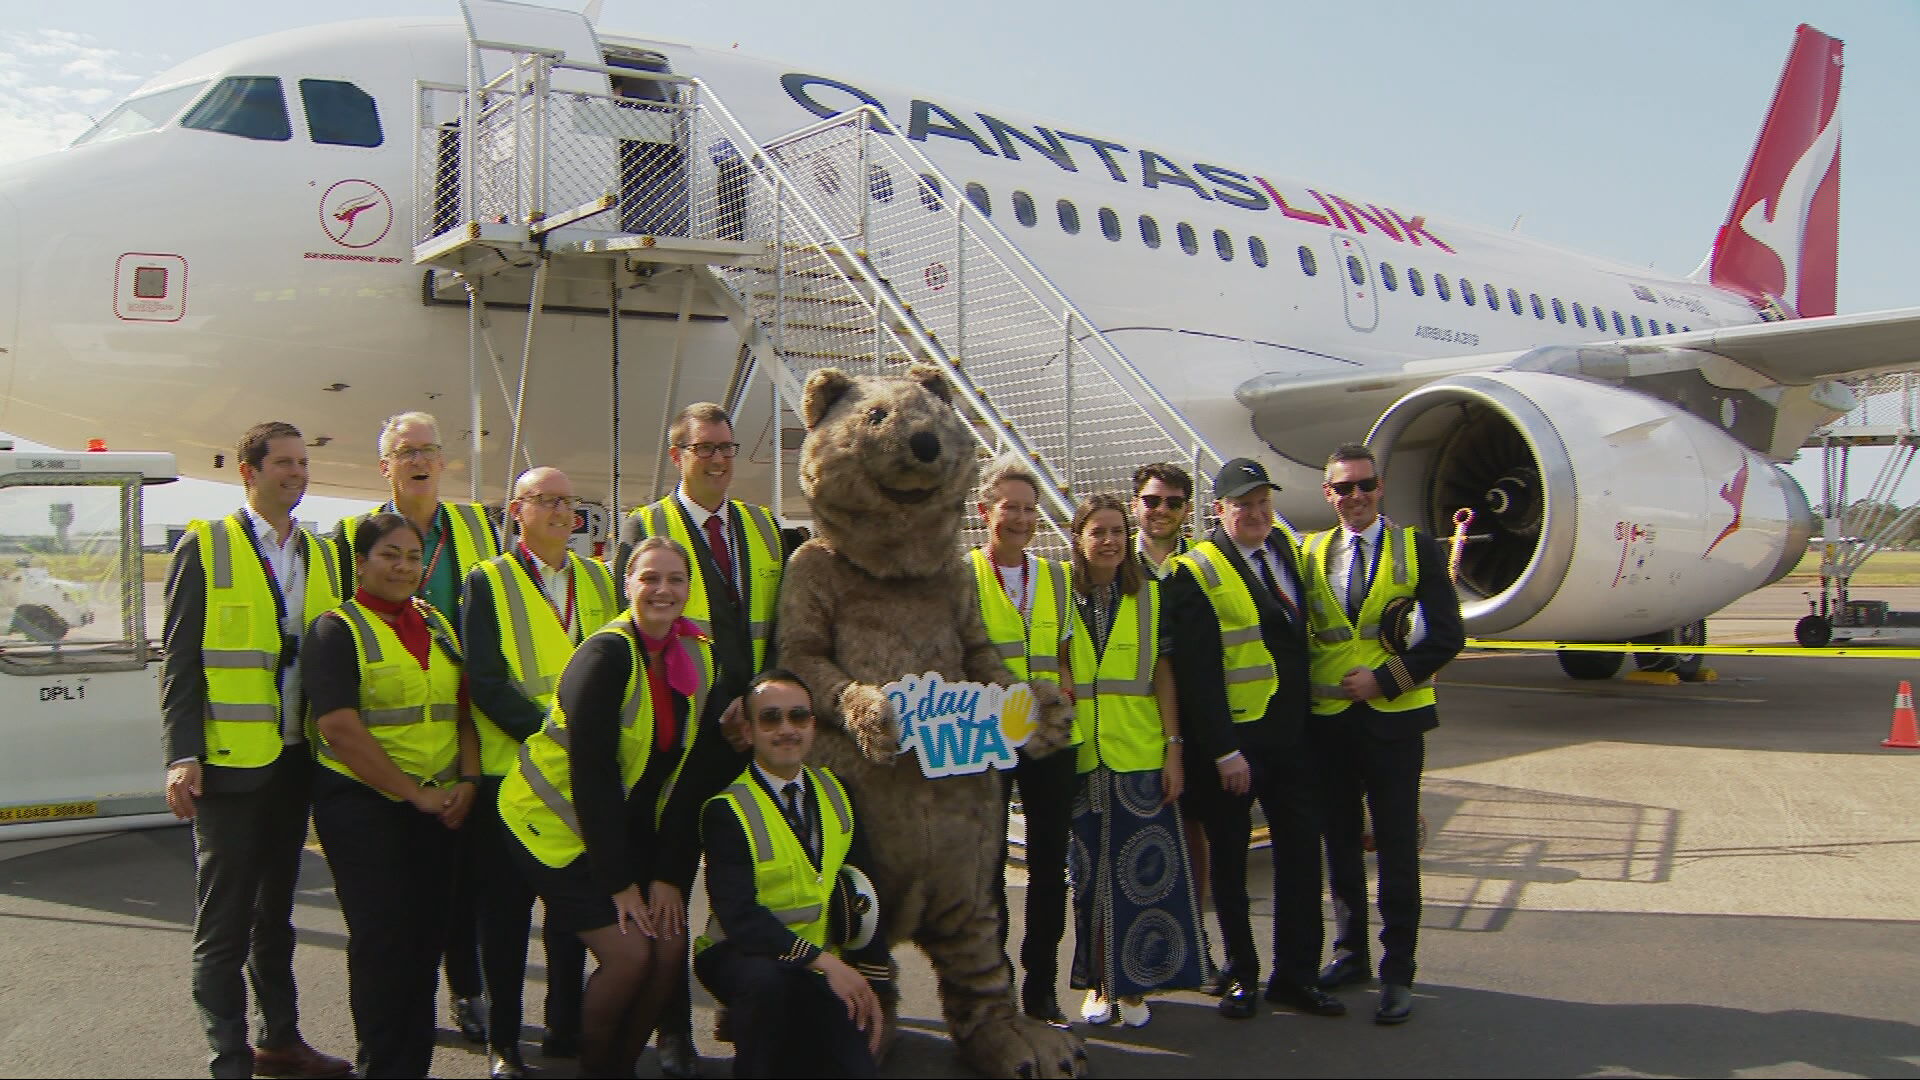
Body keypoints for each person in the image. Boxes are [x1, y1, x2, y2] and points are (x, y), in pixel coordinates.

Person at [161, 421, 352, 1080]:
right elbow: (180, 663)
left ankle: (280, 1041)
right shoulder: (206, 546)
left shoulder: (325, 555)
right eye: (284, 463)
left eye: (303, 462)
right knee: (224, 928)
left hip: (298, 763)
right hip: (230, 768)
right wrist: (181, 753)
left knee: (277, 919)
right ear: (249, 471)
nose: (297, 473)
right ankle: (229, 1061)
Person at [497, 536, 713, 1079]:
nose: (663, 590)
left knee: (666, 950)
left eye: (675, 580)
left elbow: (688, 776)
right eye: (650, 579)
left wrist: (666, 877)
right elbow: (590, 777)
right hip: (552, 826)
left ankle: (621, 1063)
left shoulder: (694, 655)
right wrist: (620, 885)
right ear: (626, 585)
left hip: (624, 827)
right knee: (630, 956)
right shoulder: (605, 654)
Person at [616, 402, 785, 1077]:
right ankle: (671, 1029)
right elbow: (636, 632)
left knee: (752, 881)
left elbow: (782, 624)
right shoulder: (647, 527)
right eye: (704, 447)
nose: (718, 459)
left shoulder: (764, 528)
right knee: (673, 886)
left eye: (726, 447)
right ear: (677, 455)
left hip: (757, 735)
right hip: (686, 738)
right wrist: (714, 708)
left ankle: (748, 1011)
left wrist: (765, 706)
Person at [332, 410, 504, 1044]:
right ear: (387, 466)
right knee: (395, 904)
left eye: (430, 449)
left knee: (464, 881)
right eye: (407, 452)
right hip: (385, 735)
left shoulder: (473, 527)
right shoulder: (354, 532)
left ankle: (467, 988)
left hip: (464, 720)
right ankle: (408, 1009)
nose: (421, 460)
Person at [305, 512, 481, 1079]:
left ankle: (414, 1063)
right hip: (365, 807)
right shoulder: (336, 629)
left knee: (428, 941)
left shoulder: (436, 624)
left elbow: (463, 714)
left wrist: (468, 782)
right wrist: (413, 794)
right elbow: (339, 727)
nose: (403, 567)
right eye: (390, 555)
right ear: (361, 564)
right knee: (384, 943)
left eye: (412, 556)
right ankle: (382, 1065)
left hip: (441, 805)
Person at [1173, 458, 1345, 1020]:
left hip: (1293, 740)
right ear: (1219, 509)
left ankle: (1296, 974)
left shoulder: (1287, 555)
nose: (1255, 512)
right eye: (1243, 503)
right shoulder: (1195, 570)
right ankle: (1242, 972)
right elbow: (1199, 675)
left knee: (1300, 859)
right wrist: (1224, 752)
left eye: (1263, 502)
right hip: (1235, 746)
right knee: (1229, 864)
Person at [1301, 443, 1464, 1025]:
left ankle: (1400, 970)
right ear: (1328, 495)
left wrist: (1384, 680)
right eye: (1342, 489)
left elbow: (1447, 637)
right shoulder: (1310, 551)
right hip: (1330, 726)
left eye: (1364, 485)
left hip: (1394, 720)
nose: (1355, 497)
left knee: (1395, 846)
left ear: (1381, 486)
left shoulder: (1417, 547)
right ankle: (1351, 954)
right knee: (1339, 843)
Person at [460, 467, 615, 1076]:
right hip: (515, 774)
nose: (559, 511)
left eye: (566, 501)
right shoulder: (489, 580)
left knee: (573, 909)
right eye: (545, 500)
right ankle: (503, 1038)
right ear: (516, 512)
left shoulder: (600, 579)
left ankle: (564, 1026)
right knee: (505, 911)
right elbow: (486, 682)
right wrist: (554, 740)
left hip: (585, 775)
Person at [690, 669, 889, 1079]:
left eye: (798, 717)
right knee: (769, 989)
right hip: (742, 957)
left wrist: (874, 985)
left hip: (818, 964)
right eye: (770, 718)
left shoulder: (838, 791)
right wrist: (825, 965)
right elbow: (739, 917)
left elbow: (864, 892)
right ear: (747, 730)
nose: (786, 729)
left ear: (813, 725)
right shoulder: (727, 810)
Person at [1064, 494, 1208, 1029]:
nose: (1109, 541)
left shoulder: (1148, 593)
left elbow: (1163, 674)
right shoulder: (1059, 594)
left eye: (1118, 532)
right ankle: (1100, 983)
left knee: (1146, 877)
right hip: (1081, 760)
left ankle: (1136, 987)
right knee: (1090, 879)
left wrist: (1174, 748)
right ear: (1079, 538)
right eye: (1098, 532)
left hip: (1140, 758)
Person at [1128, 461, 1248, 984]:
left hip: (1195, 727)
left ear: (1187, 510)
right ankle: (1135, 960)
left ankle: (1198, 950)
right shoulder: (1111, 558)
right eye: (1151, 501)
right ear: (1136, 503)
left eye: (1172, 503)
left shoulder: (1203, 566)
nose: (1160, 512)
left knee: (1197, 840)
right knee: (1136, 845)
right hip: (1131, 722)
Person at [968, 458, 1075, 1026]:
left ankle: (1041, 988)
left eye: (1031, 509)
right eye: (1011, 507)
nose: (1023, 518)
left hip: (1048, 738)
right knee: (987, 873)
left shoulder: (1056, 576)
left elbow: (1063, 656)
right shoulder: (962, 577)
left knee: (1049, 865)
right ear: (986, 512)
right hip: (986, 742)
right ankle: (997, 991)